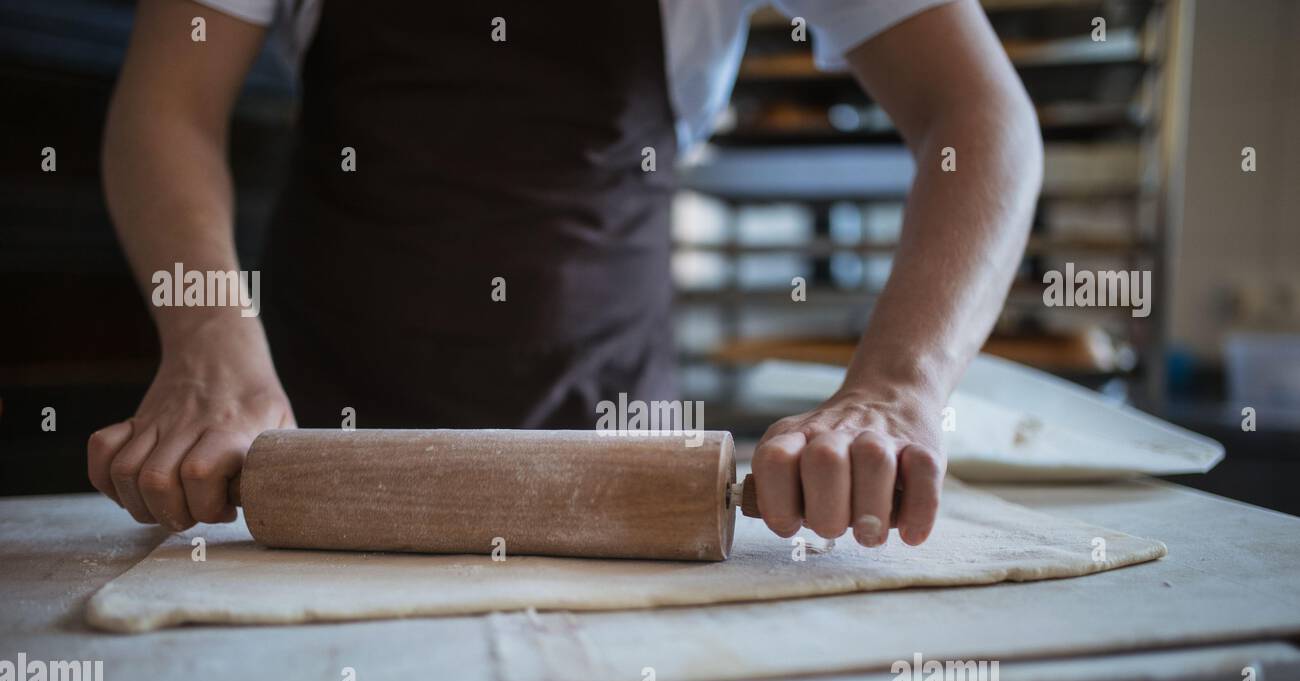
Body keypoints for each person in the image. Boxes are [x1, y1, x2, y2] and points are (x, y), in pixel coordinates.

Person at [88, 0, 1042, 549]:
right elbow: (170, 102)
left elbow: (978, 117)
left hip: (621, 461)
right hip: (315, 443)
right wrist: (211, 341)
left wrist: (896, 389)